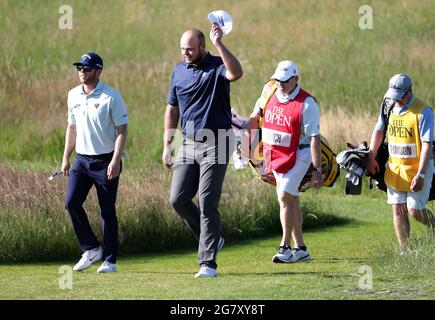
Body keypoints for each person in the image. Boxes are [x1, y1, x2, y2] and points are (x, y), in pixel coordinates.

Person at [162, 25, 243, 278]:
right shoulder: (178, 71)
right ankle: (212, 238)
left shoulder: (217, 65)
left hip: (217, 140)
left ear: (202, 47)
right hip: (186, 142)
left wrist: (220, 44)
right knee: (178, 199)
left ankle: (207, 263)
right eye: (182, 49)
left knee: (208, 202)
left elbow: (236, 73)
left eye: (190, 49)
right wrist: (167, 144)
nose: (185, 53)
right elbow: (172, 109)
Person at [247, 60, 323, 263]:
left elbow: (314, 138)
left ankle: (285, 247)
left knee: (284, 196)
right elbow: (254, 119)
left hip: (300, 154)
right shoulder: (270, 93)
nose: (280, 83)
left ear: (296, 79)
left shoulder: (307, 103)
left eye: (285, 80)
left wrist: (317, 169)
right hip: (277, 155)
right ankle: (301, 249)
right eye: (277, 79)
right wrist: (246, 143)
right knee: (292, 200)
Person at [62, 52, 128, 273]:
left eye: (87, 69)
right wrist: (65, 159)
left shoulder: (111, 96)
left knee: (107, 210)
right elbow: (72, 128)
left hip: (105, 160)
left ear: (98, 71)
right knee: (71, 202)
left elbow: (122, 130)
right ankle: (91, 248)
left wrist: (116, 160)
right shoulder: (73, 95)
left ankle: (110, 260)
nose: (82, 72)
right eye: (80, 68)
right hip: (81, 159)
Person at [368, 74, 435, 252]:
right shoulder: (388, 104)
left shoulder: (423, 111)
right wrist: (371, 156)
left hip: (418, 169)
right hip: (395, 168)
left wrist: (421, 174)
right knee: (398, 209)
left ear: (410, 91)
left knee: (415, 210)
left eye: (400, 96)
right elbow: (379, 130)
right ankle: (405, 251)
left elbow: (427, 144)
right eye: (393, 95)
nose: (396, 99)